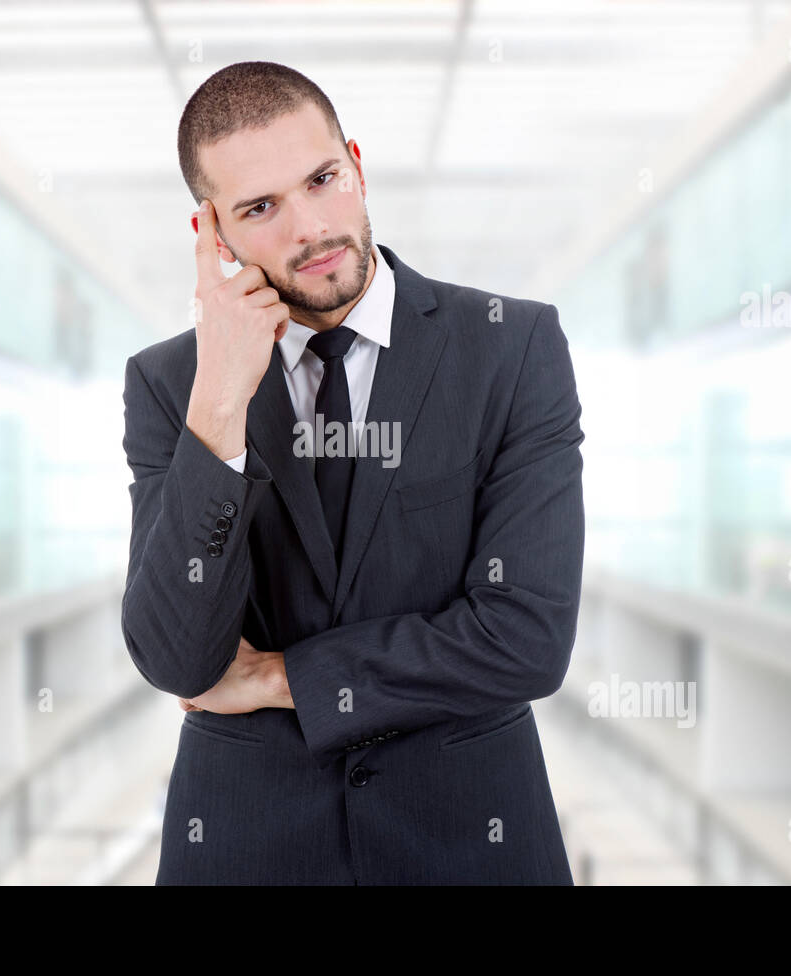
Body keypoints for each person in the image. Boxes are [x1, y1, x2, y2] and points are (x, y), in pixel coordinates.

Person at [121, 61, 585, 884]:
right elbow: (177, 659)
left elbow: (526, 641)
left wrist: (279, 676)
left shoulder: (511, 349)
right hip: (247, 849)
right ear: (212, 234)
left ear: (358, 167)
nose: (310, 228)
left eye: (323, 179)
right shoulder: (172, 386)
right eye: (260, 208)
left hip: (470, 844)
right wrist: (221, 407)